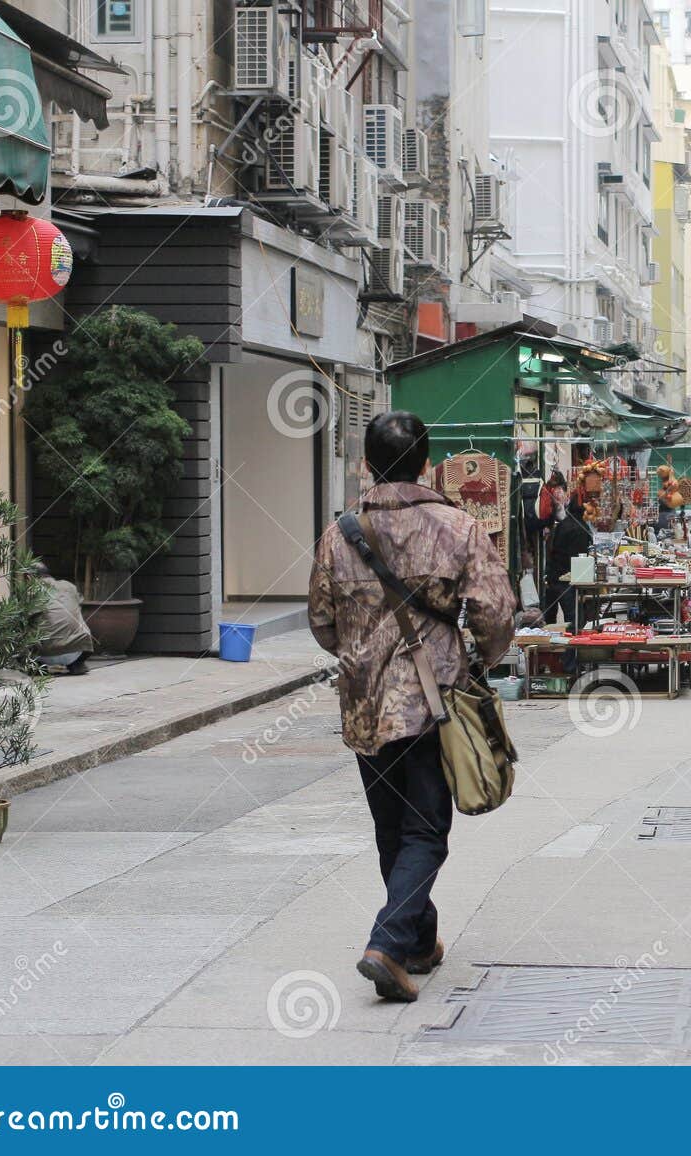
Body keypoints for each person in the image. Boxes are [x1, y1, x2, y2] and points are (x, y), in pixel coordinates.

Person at [308, 411, 515, 1001]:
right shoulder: (461, 528)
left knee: (392, 830)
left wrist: (362, 652)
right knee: (427, 829)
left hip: (366, 706)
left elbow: (322, 622)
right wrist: (478, 659)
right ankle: (388, 944)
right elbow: (496, 615)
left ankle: (419, 941)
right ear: (427, 463)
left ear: (367, 464)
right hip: (434, 701)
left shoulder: (339, 532)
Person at [30, 561, 93, 674]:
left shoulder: (31, 591)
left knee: (21, 624)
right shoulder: (69, 586)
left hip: (45, 654)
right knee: (77, 617)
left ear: (29, 577)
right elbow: (79, 604)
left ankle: (36, 667)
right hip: (77, 651)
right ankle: (77, 664)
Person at [544, 494, 592, 630]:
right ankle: (572, 650)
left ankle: (554, 648)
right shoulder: (580, 529)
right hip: (567, 581)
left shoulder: (565, 523)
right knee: (574, 622)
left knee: (550, 621)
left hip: (554, 576)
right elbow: (579, 557)